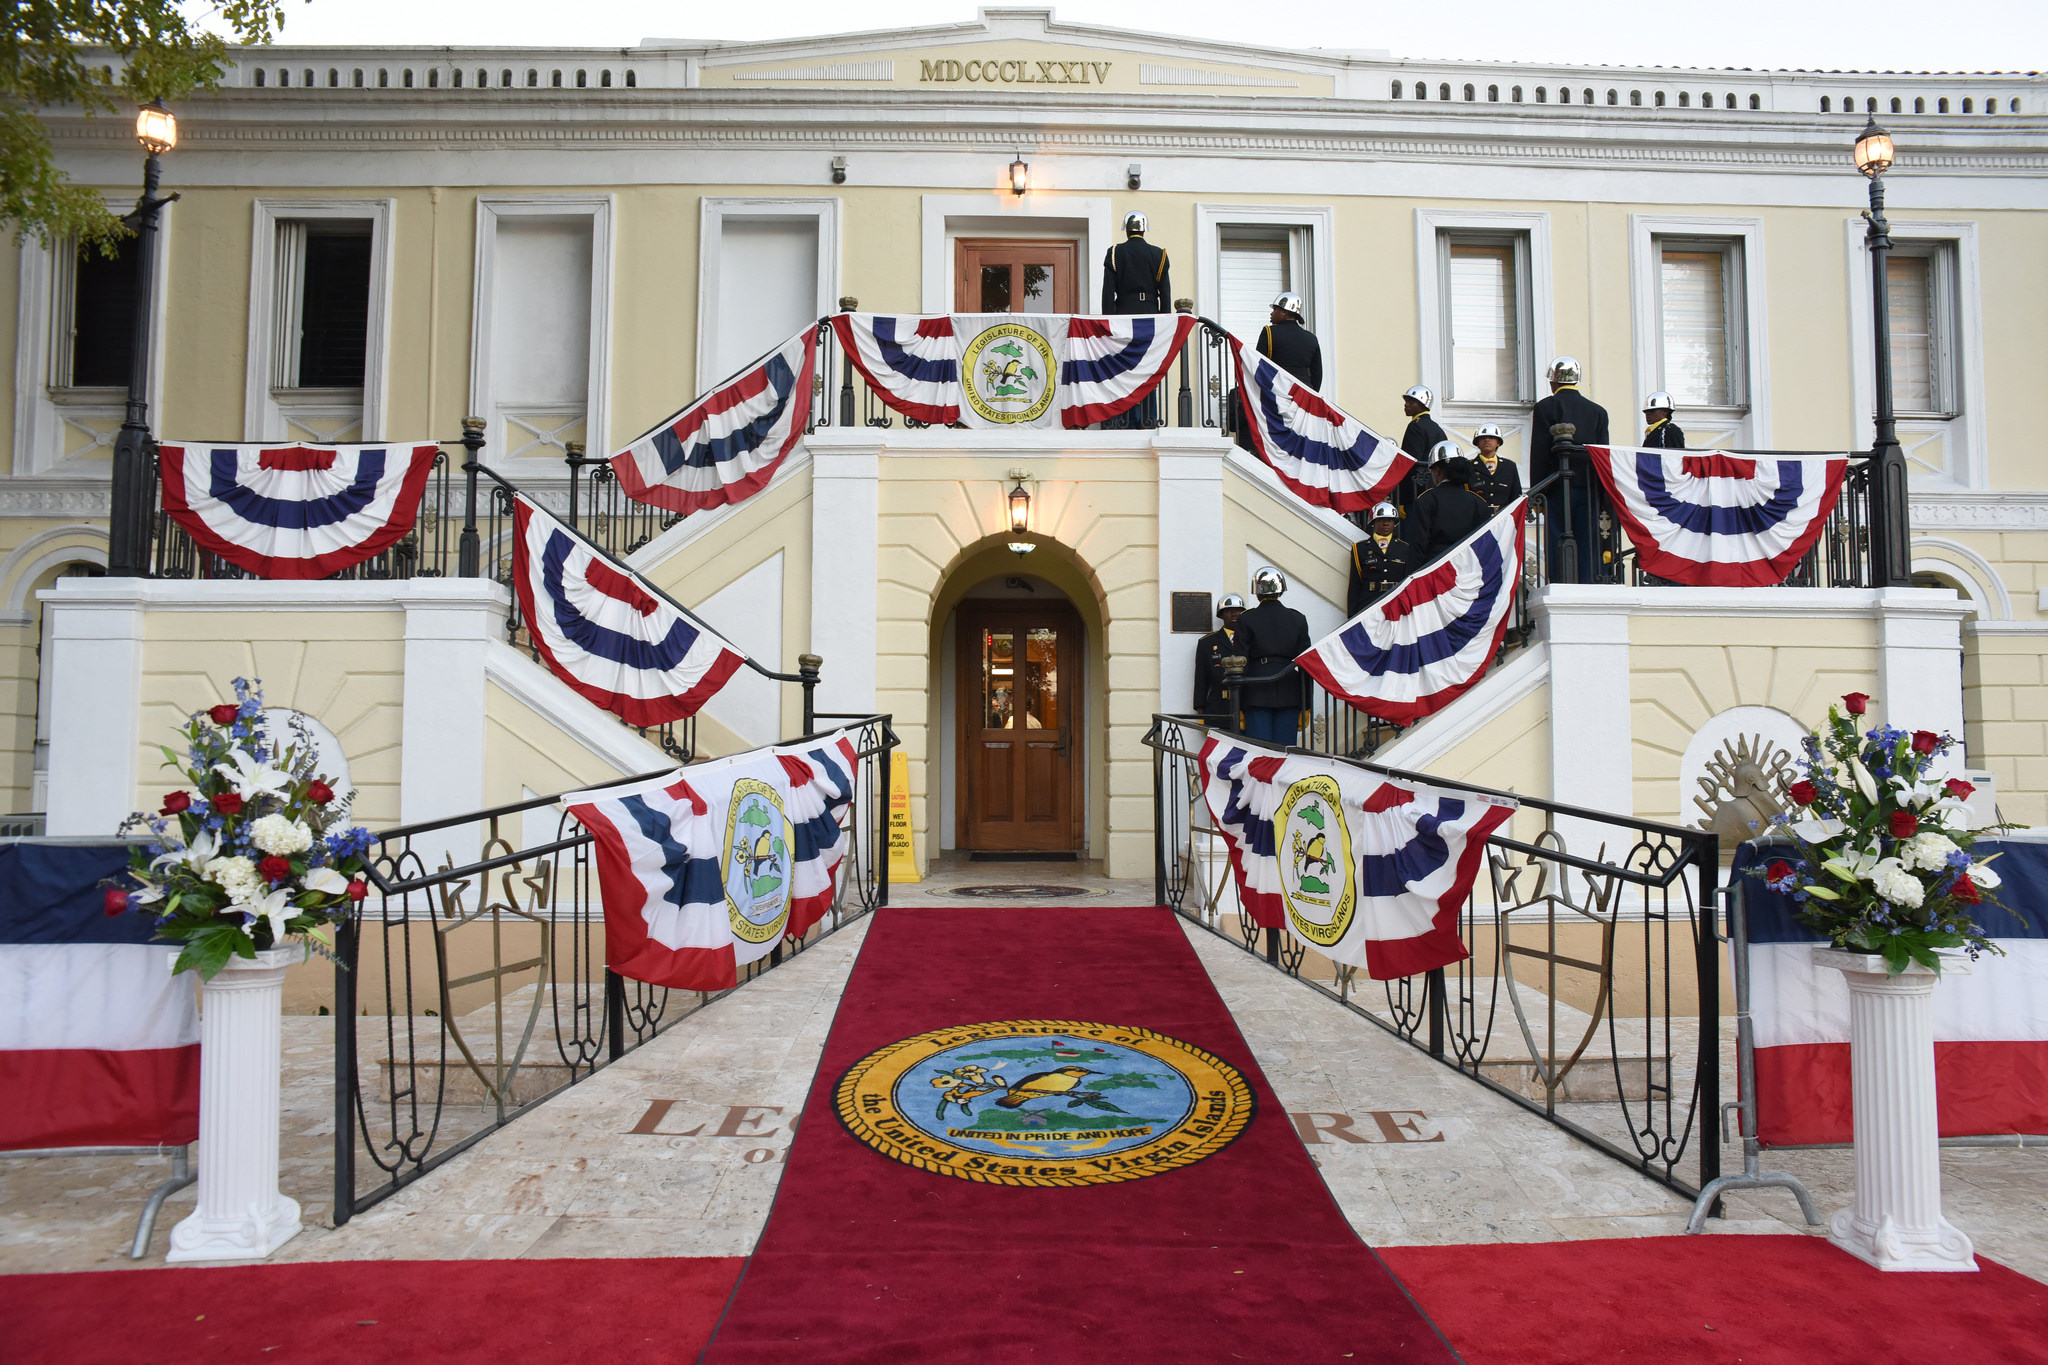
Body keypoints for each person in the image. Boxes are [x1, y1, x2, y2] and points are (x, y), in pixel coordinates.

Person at [1527, 357, 1610, 584]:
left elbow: (1540, 452)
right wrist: (1602, 493)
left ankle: (1559, 582)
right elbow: (1602, 456)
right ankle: (1588, 581)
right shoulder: (1598, 412)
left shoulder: (1545, 407)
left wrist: (1538, 491)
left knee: (1557, 536)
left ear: (1553, 381)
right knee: (1588, 539)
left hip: (1556, 486)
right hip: (1590, 487)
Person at [1101, 211, 1172, 427]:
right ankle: (1148, 419)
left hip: (1124, 314)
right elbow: (1165, 294)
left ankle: (1125, 418)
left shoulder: (1115, 252)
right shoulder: (1158, 254)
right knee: (1148, 366)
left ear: (1127, 230)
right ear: (1144, 229)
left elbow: (1108, 293)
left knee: (1125, 367)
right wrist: (1165, 322)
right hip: (1150, 317)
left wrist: (1108, 321)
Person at [1235, 566, 1311, 746]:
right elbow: (1307, 665)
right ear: (1281, 590)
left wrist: (1239, 703)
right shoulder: (1297, 619)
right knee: (1285, 753)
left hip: (1256, 691)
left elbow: (1240, 663)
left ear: (1257, 592)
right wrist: (1306, 704)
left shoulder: (1246, 619)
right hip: (1289, 690)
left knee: (1259, 753)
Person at [1405, 447, 1494, 569]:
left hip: (1436, 569)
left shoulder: (1426, 500)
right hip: (1469, 569)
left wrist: (1411, 575)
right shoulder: (1478, 502)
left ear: (1437, 471)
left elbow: (1418, 546)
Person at [1347, 502, 1414, 615]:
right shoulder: (1359, 548)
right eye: (1381, 520)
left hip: (1396, 603)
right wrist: (1352, 614)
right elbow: (1355, 584)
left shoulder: (1405, 548)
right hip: (1369, 603)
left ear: (1394, 523)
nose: (1386, 523)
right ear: (1373, 522)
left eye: (1390, 520)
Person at [1192, 594, 1248, 728]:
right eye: (1228, 611)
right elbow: (1201, 677)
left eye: (1238, 610)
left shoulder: (1251, 639)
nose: (1234, 614)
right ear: (1221, 615)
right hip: (1218, 705)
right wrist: (1200, 707)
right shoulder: (1207, 642)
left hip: (1246, 703)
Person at [1397, 385, 1446, 514]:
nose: (1406, 404)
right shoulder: (1437, 428)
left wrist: (1402, 498)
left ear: (1422, 404)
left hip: (1416, 493)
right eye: (1406, 401)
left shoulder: (1415, 426)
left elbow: (1409, 463)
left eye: (1411, 401)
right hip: (1435, 491)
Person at [1469, 422, 1523, 514]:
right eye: (1482, 438)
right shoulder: (1468, 467)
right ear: (1477, 443)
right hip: (1478, 518)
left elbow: (1515, 495)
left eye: (1491, 437)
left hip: (1503, 517)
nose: (1487, 440)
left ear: (1498, 442)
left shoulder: (1509, 466)